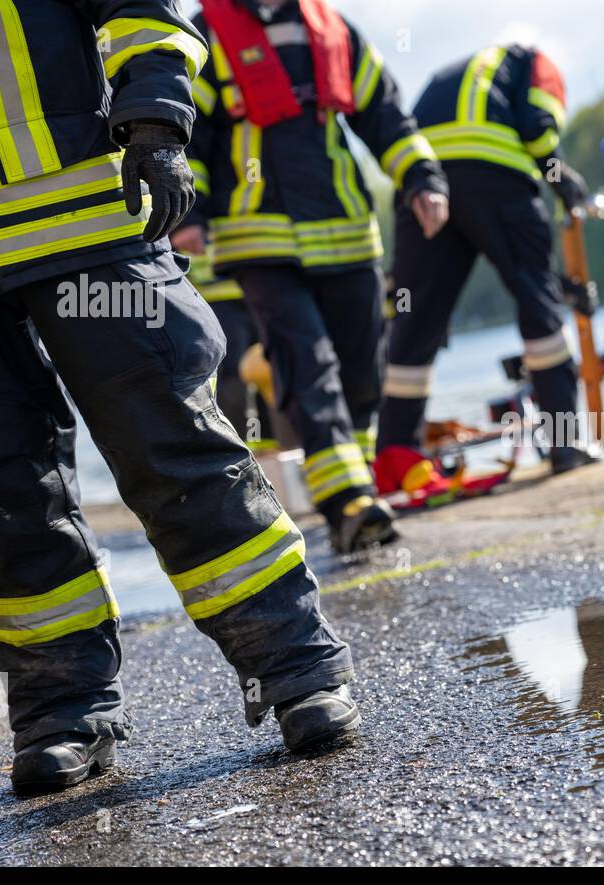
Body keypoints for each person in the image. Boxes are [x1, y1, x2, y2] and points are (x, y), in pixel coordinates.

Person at [0, 0, 362, 795]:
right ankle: (59, 713)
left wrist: (154, 117)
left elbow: (141, 6)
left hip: (91, 208)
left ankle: (294, 667)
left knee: (173, 441)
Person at [178, 0, 450, 550]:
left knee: (363, 372)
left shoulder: (333, 29)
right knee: (308, 363)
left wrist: (423, 178)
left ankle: (362, 484)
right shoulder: (209, 34)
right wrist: (192, 212)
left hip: (346, 232)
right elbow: (190, 132)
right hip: (262, 240)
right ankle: (346, 504)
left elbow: (385, 114)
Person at [374, 43, 597, 502]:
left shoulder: (449, 72)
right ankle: (564, 442)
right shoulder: (540, 63)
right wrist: (562, 180)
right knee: (537, 304)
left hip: (423, 184)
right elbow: (538, 131)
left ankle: (395, 459)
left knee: (415, 322)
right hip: (493, 175)